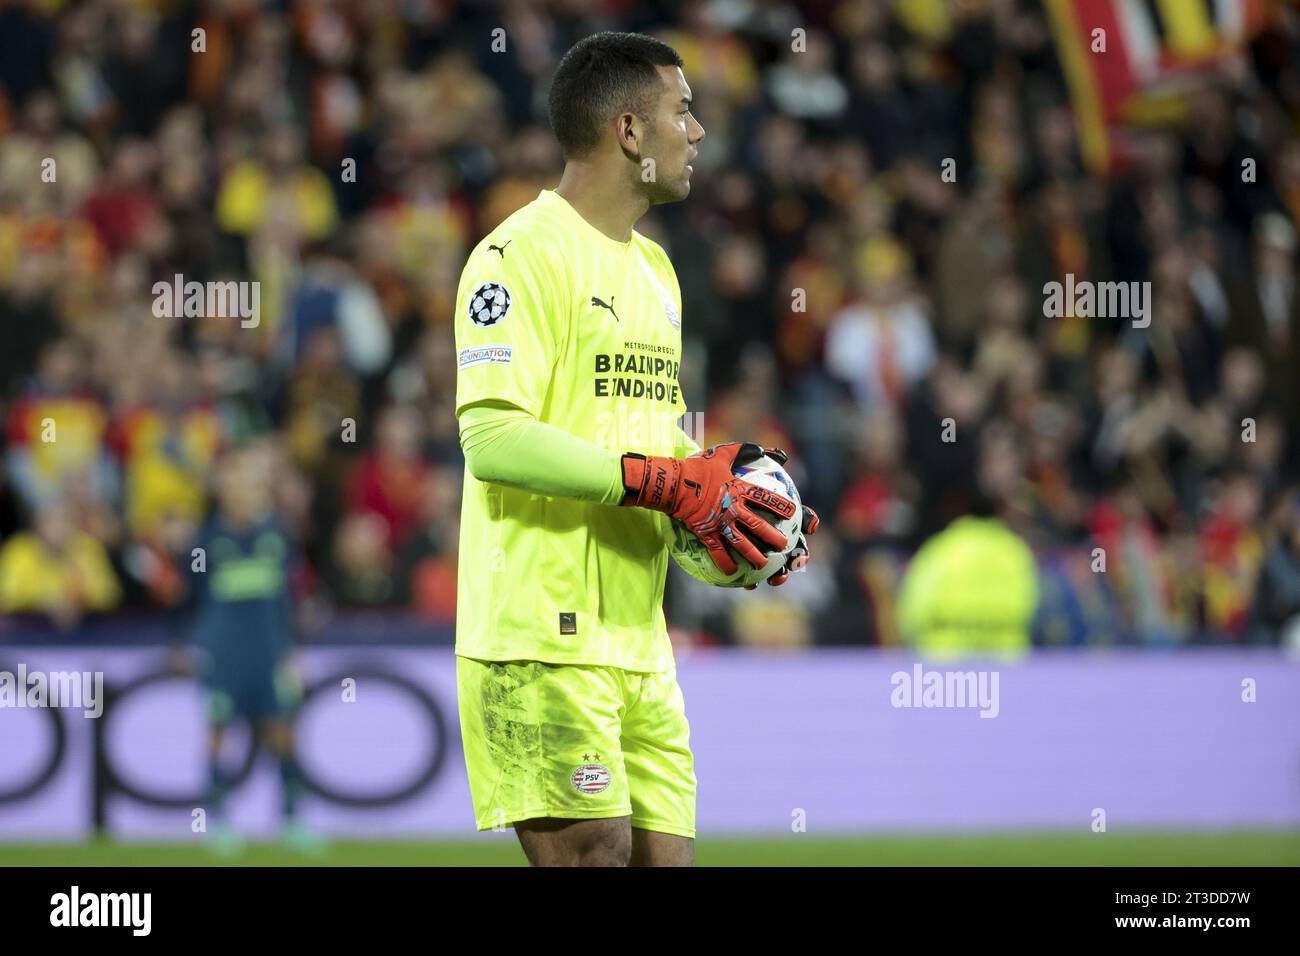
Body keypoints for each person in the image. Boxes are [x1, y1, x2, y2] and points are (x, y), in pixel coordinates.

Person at [452, 32, 818, 867]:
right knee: (597, 854)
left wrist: (720, 524)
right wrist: (666, 483)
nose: (696, 132)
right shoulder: (515, 257)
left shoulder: (657, 271)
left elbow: (657, 452)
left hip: (639, 640)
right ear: (627, 130)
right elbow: (493, 438)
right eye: (681, 111)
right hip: (540, 634)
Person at [186, 443, 319, 855]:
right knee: (218, 734)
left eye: (253, 483)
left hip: (268, 651)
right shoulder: (206, 539)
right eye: (239, 482)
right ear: (224, 488)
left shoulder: (276, 533)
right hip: (224, 652)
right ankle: (217, 821)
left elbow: (287, 600)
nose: (248, 490)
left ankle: (291, 820)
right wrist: (193, 646)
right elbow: (188, 597)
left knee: (282, 734)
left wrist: (291, 651)